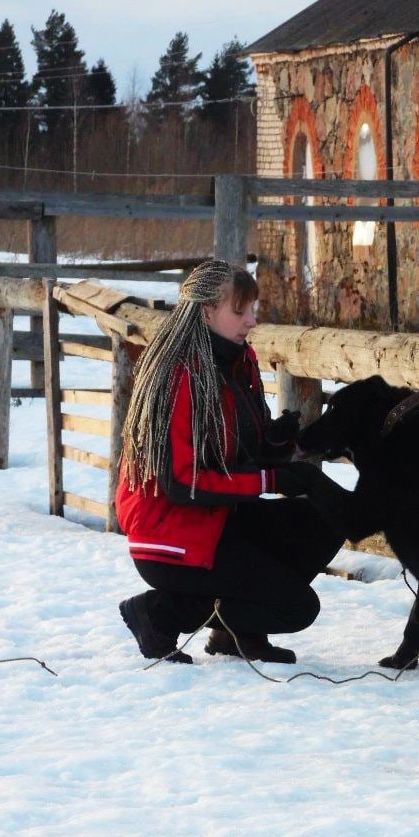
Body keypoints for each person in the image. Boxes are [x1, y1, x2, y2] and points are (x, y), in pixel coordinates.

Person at [115, 258, 342, 664]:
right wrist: (270, 480)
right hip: (171, 535)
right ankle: (159, 613)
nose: (251, 320)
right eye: (240, 311)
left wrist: (274, 443)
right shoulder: (177, 374)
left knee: (325, 520)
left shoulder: (238, 360)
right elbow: (182, 482)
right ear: (206, 311)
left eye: (252, 309)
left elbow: (236, 453)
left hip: (221, 517)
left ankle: (235, 632)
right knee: (297, 607)